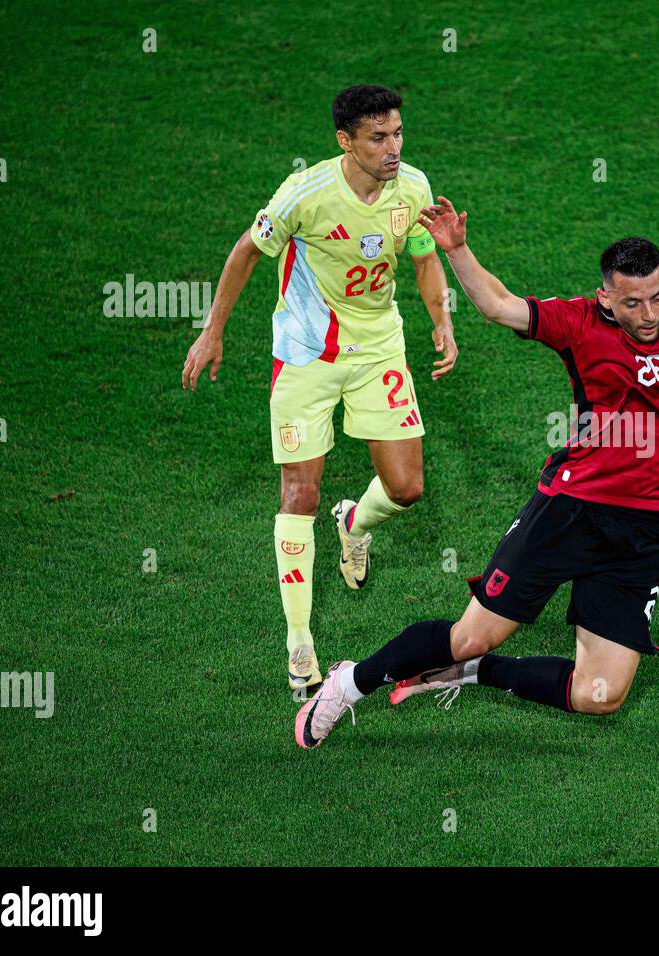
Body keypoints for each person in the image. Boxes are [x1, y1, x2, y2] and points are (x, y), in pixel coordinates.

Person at [295, 108, 659, 749]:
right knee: (468, 634)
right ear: (606, 296)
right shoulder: (579, 323)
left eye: (657, 297)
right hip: (571, 509)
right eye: (632, 302)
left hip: (642, 530)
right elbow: (500, 305)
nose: (648, 313)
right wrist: (457, 251)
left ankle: (476, 675)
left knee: (600, 695)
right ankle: (348, 684)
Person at [182, 85, 458, 691]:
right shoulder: (305, 193)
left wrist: (441, 318)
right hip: (306, 356)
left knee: (407, 488)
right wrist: (213, 331)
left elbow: (423, 256)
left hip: (378, 349)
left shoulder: (412, 188)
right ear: (346, 141)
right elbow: (245, 252)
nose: (393, 148)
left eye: (398, 133)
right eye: (378, 138)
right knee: (299, 494)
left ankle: (354, 523)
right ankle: (300, 642)